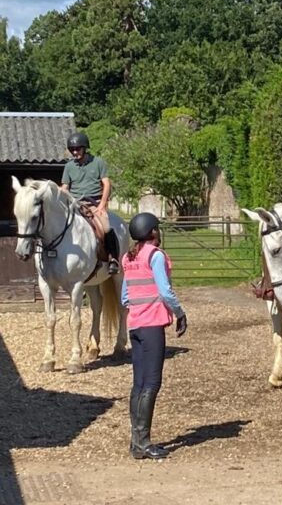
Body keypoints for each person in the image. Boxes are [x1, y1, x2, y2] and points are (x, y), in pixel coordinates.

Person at [121, 212, 188, 460]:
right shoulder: (155, 256)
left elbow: (125, 298)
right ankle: (143, 442)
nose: (159, 232)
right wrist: (180, 313)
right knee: (151, 382)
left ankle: (136, 440)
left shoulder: (129, 257)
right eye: (157, 229)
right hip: (152, 326)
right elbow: (165, 291)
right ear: (151, 232)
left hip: (135, 325)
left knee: (138, 383)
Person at [60, 132, 120, 275]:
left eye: (77, 149)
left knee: (105, 227)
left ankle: (113, 259)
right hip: (75, 203)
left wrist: (101, 205)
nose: (75, 152)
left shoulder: (98, 162)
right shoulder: (69, 166)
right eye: (72, 150)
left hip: (94, 202)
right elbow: (65, 187)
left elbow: (106, 184)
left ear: (85, 148)